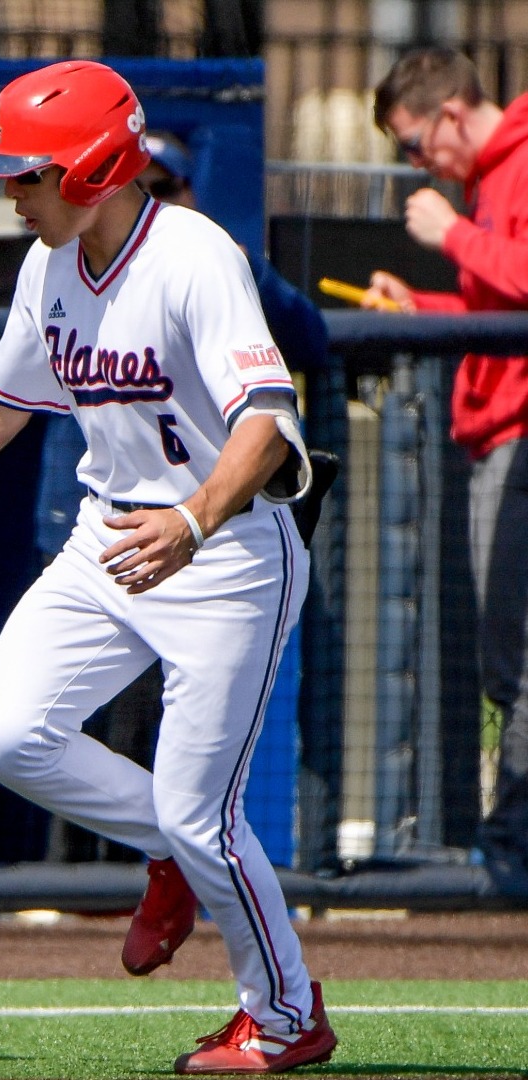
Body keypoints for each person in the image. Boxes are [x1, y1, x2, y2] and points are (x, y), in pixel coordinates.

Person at [0, 61, 337, 1074]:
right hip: (110, 535)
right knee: (7, 733)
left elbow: (269, 426)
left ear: (95, 167)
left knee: (203, 811)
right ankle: (167, 853)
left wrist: (192, 517)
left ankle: (284, 1017)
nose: (11, 192)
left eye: (29, 175)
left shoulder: (193, 256)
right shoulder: (49, 267)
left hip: (224, 551)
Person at [30, 129, 334, 865]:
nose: (156, 200)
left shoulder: (201, 260)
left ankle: (169, 861)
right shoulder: (58, 268)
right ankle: (81, 882)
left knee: (163, 741)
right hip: (96, 518)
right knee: (54, 727)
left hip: (200, 533)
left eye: (167, 187)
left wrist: (230, 269)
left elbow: (308, 336)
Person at [358, 46, 528, 893]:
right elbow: (500, 304)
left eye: (416, 143)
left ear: (455, 113)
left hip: (520, 439)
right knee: (507, 668)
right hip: (496, 436)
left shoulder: (520, 165)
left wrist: (451, 235)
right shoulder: (493, 179)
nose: (417, 162)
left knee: (517, 667)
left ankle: (512, 856)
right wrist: (420, 306)